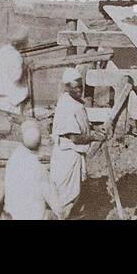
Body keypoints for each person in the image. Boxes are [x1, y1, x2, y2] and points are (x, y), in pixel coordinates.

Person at [49, 67, 100, 219]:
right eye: (75, 87)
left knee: (73, 196)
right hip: (67, 157)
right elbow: (75, 138)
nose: (79, 90)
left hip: (71, 155)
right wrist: (94, 137)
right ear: (67, 87)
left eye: (81, 86)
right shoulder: (68, 106)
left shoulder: (74, 102)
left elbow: (82, 126)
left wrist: (93, 130)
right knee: (65, 198)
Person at [4, 119, 64, 220]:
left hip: (11, 213)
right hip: (33, 215)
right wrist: (60, 215)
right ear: (39, 143)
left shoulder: (13, 159)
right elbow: (51, 195)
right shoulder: (38, 167)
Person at [0, 32, 30, 114]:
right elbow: (16, 77)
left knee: (3, 119)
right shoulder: (15, 56)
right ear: (21, 43)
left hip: (3, 96)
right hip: (12, 98)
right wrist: (25, 68)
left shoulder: (3, 52)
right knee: (13, 122)